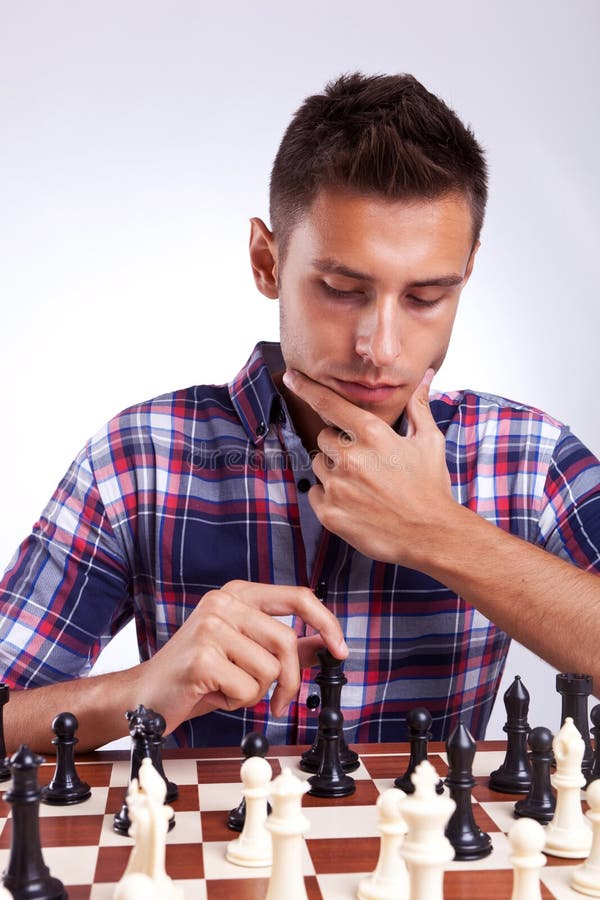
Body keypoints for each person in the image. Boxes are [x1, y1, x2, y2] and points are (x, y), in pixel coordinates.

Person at [1, 72, 600, 754]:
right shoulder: (139, 456)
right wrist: (136, 692)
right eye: (343, 290)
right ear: (267, 261)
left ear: (467, 271)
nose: (381, 348)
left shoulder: (528, 457)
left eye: (427, 296)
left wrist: (441, 533)